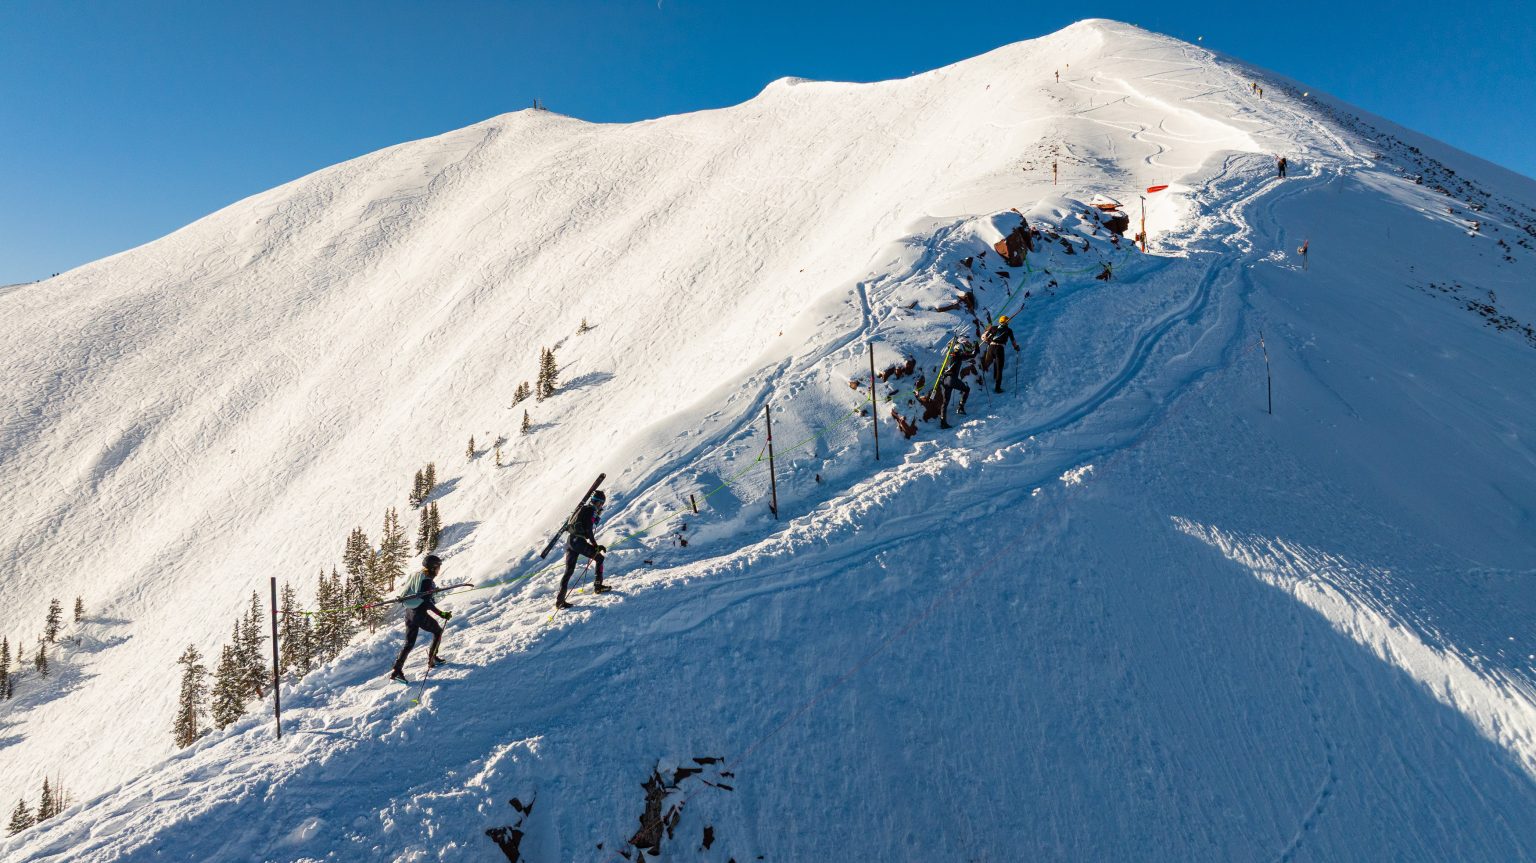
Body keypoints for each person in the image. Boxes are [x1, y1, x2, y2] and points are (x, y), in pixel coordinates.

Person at [389, 554, 452, 682]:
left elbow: (408, 591)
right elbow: (427, 602)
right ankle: (432, 658)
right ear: (433, 567)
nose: (439, 569)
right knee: (438, 631)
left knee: (409, 643)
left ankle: (396, 672)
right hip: (419, 614)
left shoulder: (417, 574)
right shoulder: (427, 580)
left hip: (409, 613)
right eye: (438, 567)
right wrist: (442, 614)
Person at [556, 490, 609, 609]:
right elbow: (589, 530)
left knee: (568, 571)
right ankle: (598, 587)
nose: (601, 506)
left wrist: (597, 515)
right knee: (599, 558)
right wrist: (595, 545)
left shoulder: (584, 509)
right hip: (579, 542)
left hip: (571, 541)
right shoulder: (590, 510)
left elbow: (587, 523)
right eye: (601, 504)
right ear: (598, 503)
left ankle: (560, 601)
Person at [938, 337, 977, 429]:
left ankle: (943, 423)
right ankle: (960, 407)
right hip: (952, 379)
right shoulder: (959, 355)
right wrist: (976, 347)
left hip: (945, 380)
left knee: (945, 403)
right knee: (966, 389)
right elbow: (973, 355)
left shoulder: (949, 355)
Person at [979, 315, 1021, 393]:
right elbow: (1013, 341)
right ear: (1007, 322)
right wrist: (1016, 347)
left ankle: (980, 380)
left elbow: (984, 337)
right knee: (999, 369)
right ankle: (997, 388)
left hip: (991, 348)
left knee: (986, 365)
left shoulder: (993, 328)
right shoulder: (1009, 330)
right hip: (1000, 349)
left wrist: (988, 341)